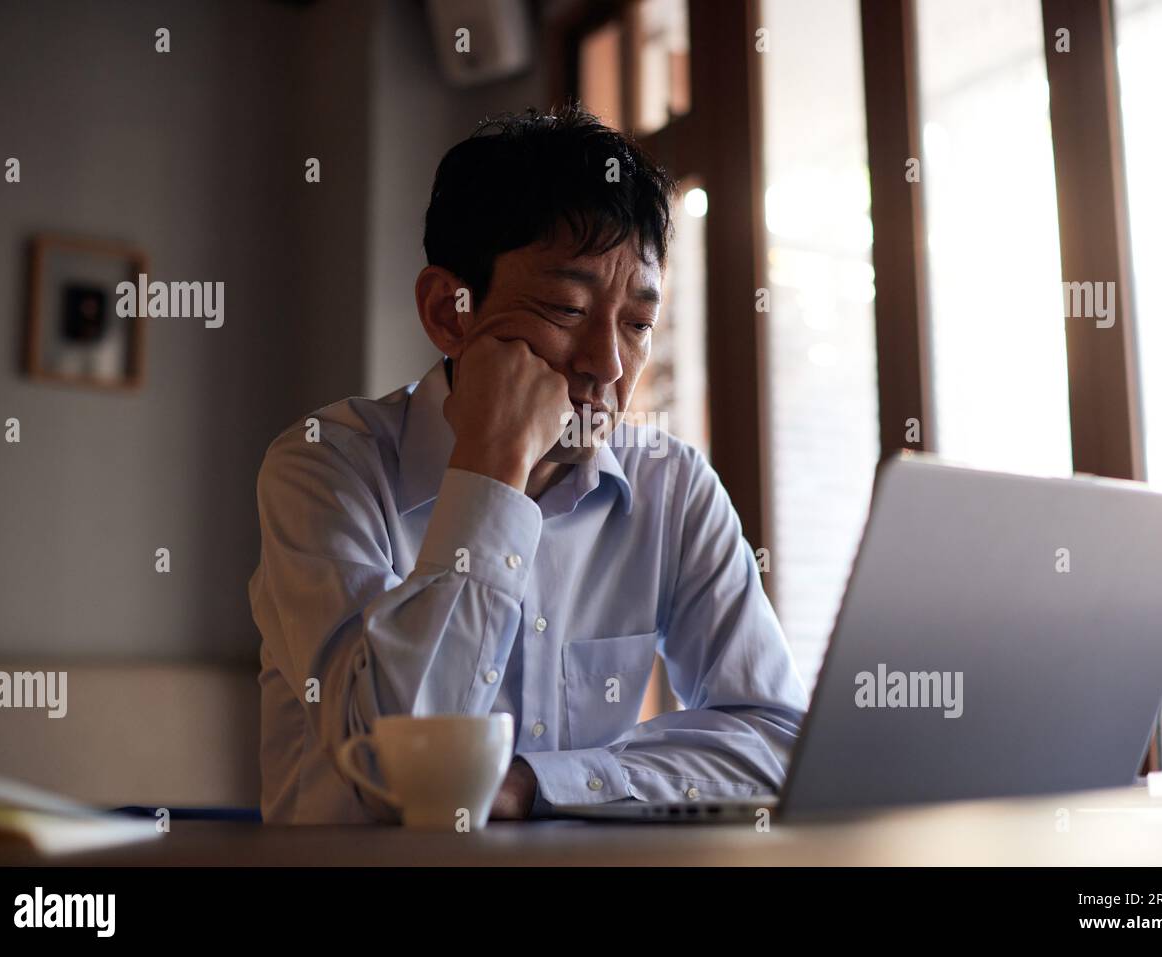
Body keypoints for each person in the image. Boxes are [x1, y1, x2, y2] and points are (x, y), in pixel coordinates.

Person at [249, 105, 808, 824]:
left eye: (637, 324)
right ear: (451, 314)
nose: (608, 364)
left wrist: (533, 782)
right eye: (566, 309)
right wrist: (492, 467)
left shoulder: (674, 488)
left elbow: (774, 738)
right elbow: (393, 768)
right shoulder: (324, 467)